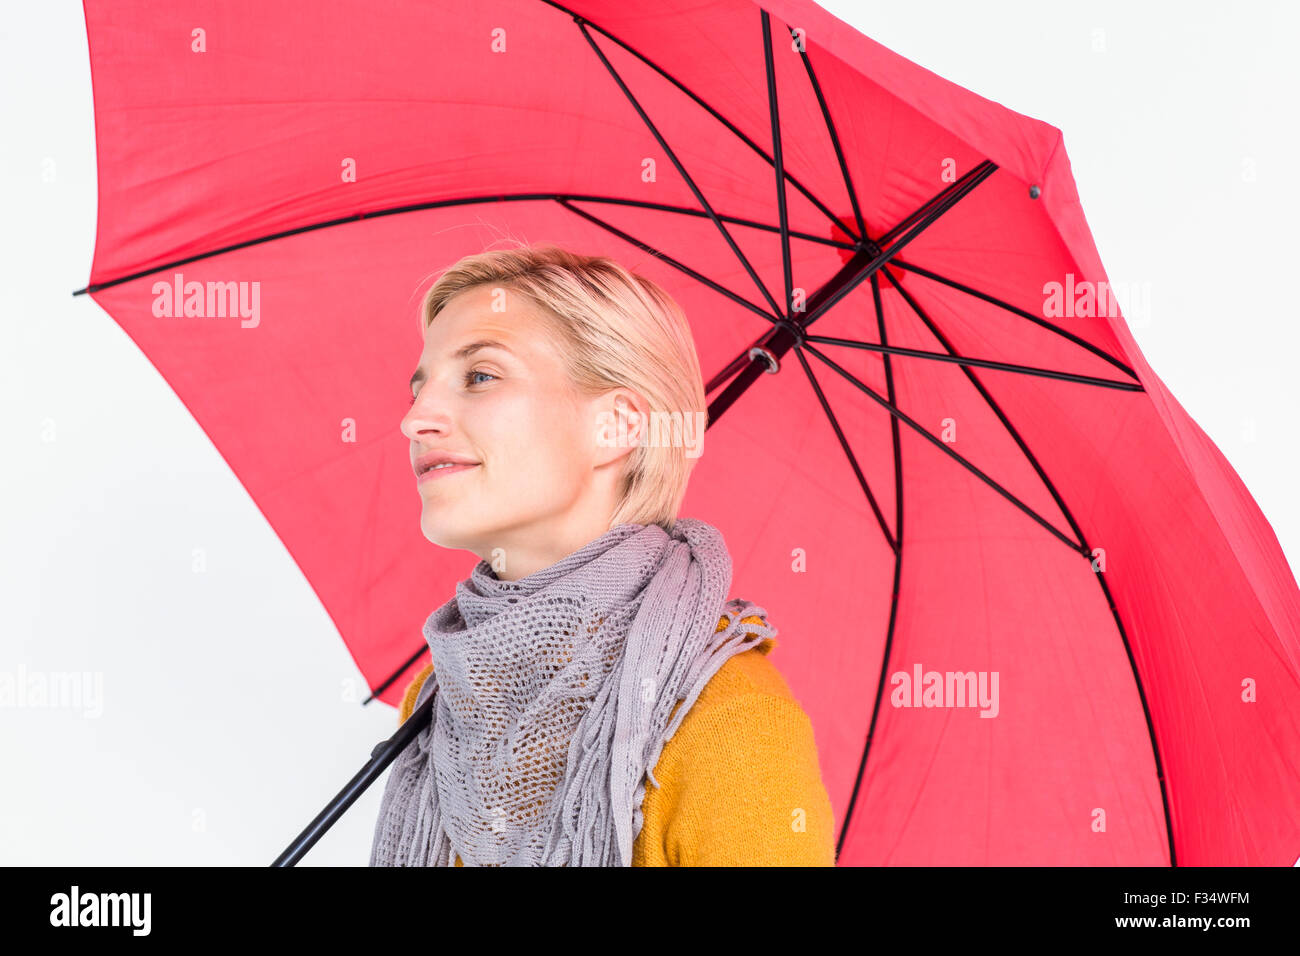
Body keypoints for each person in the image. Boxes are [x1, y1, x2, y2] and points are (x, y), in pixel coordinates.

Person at [369, 243, 835, 866]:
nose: (416, 420)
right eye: (418, 391)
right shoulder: (436, 703)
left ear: (617, 426)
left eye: (480, 376)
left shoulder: (729, 720)